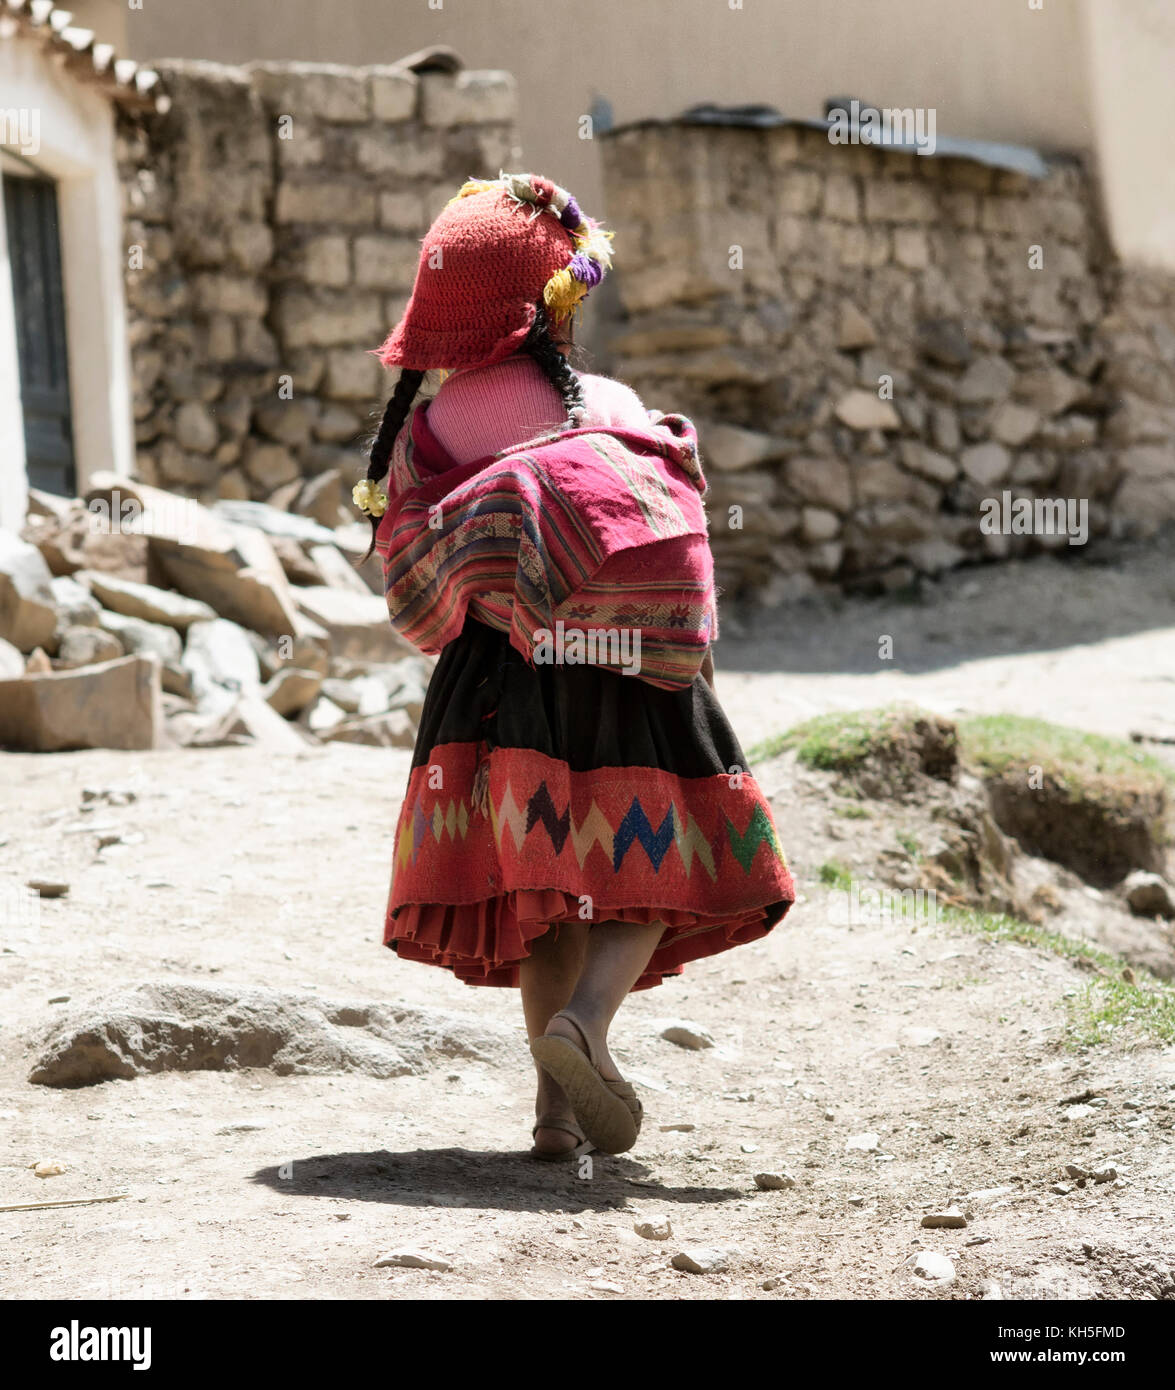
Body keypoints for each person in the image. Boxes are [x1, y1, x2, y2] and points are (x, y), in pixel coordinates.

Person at [353, 173, 795, 1160]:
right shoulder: (617, 404)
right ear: (564, 297)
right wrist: (696, 675)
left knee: (541, 891)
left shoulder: (431, 430)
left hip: (495, 686)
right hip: (629, 667)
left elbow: (420, 590)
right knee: (653, 861)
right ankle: (584, 1025)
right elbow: (668, 546)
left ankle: (554, 1117)